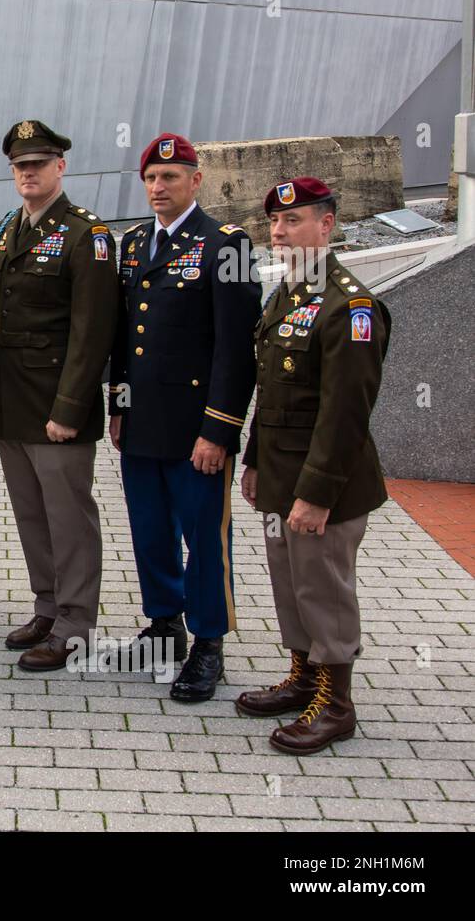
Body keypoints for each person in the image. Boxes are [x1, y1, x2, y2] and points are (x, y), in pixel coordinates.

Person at [236, 177, 390, 756]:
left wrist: (317, 494)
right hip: (280, 479)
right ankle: (303, 677)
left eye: (294, 220)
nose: (279, 232)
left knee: (324, 589)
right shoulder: (290, 295)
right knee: (291, 584)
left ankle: (337, 703)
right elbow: (273, 392)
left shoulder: (349, 306)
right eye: (274, 223)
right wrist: (254, 462)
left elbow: (345, 414)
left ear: (326, 226)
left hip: (325, 488)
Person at [109, 133, 260, 701]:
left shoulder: (227, 243)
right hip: (143, 424)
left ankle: (209, 642)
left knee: (203, 537)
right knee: (150, 533)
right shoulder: (135, 242)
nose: (158, 187)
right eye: (150, 177)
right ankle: (164, 626)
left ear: (196, 180)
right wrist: (118, 407)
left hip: (197, 428)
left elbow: (235, 348)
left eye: (170, 177)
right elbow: (125, 338)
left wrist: (219, 429)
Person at [0, 120, 119, 672]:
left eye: (38, 163)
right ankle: (47, 607)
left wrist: (69, 410)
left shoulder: (88, 235)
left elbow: (92, 333)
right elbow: (4, 319)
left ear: (61, 166)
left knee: (68, 517)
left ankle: (77, 622)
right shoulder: (12, 227)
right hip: (14, 404)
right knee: (32, 515)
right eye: (20, 165)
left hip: (58, 410)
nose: (28, 172)